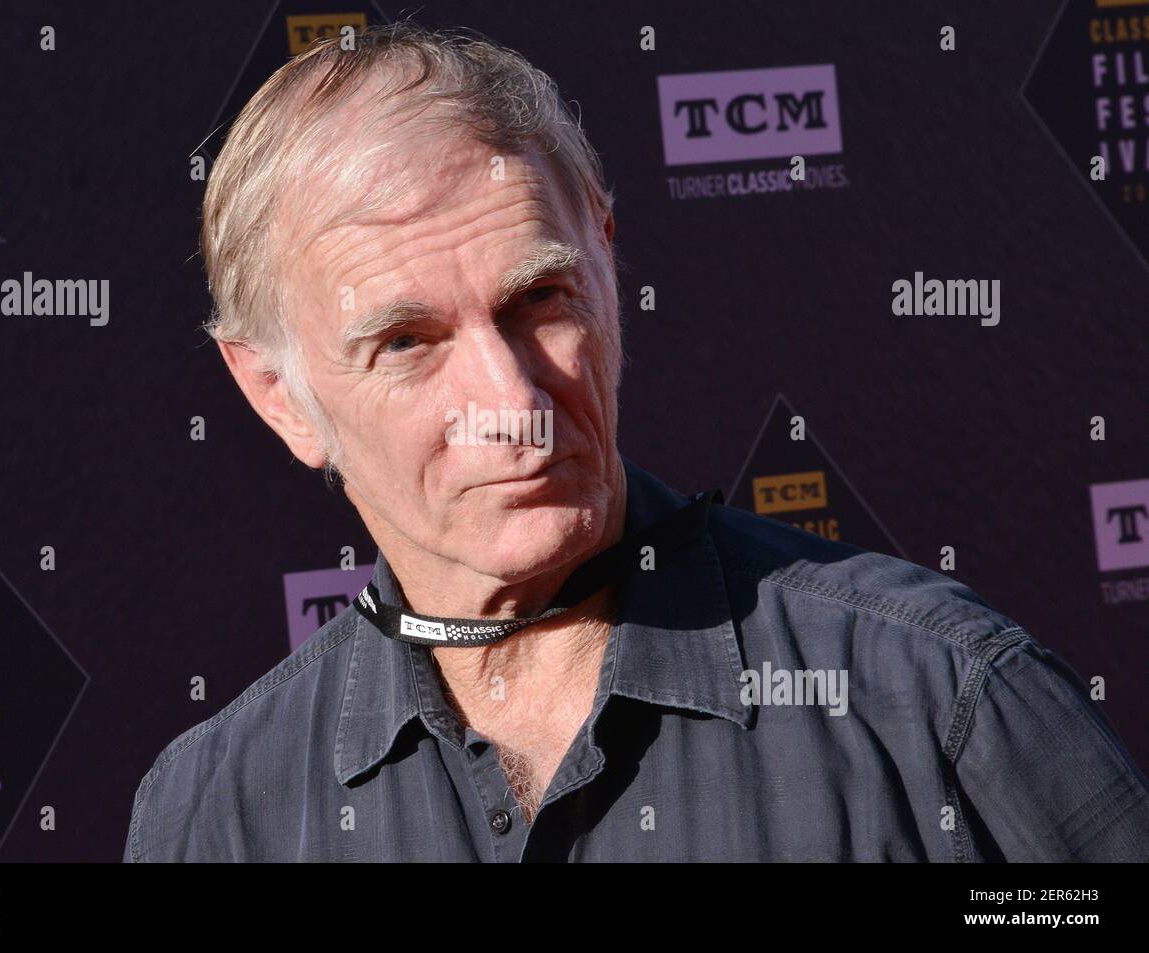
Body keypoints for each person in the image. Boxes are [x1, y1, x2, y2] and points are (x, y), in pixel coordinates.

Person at [124, 22, 1149, 862]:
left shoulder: (938, 701)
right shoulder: (214, 816)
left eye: (539, 299)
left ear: (608, 273)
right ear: (278, 397)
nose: (510, 396)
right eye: (406, 340)